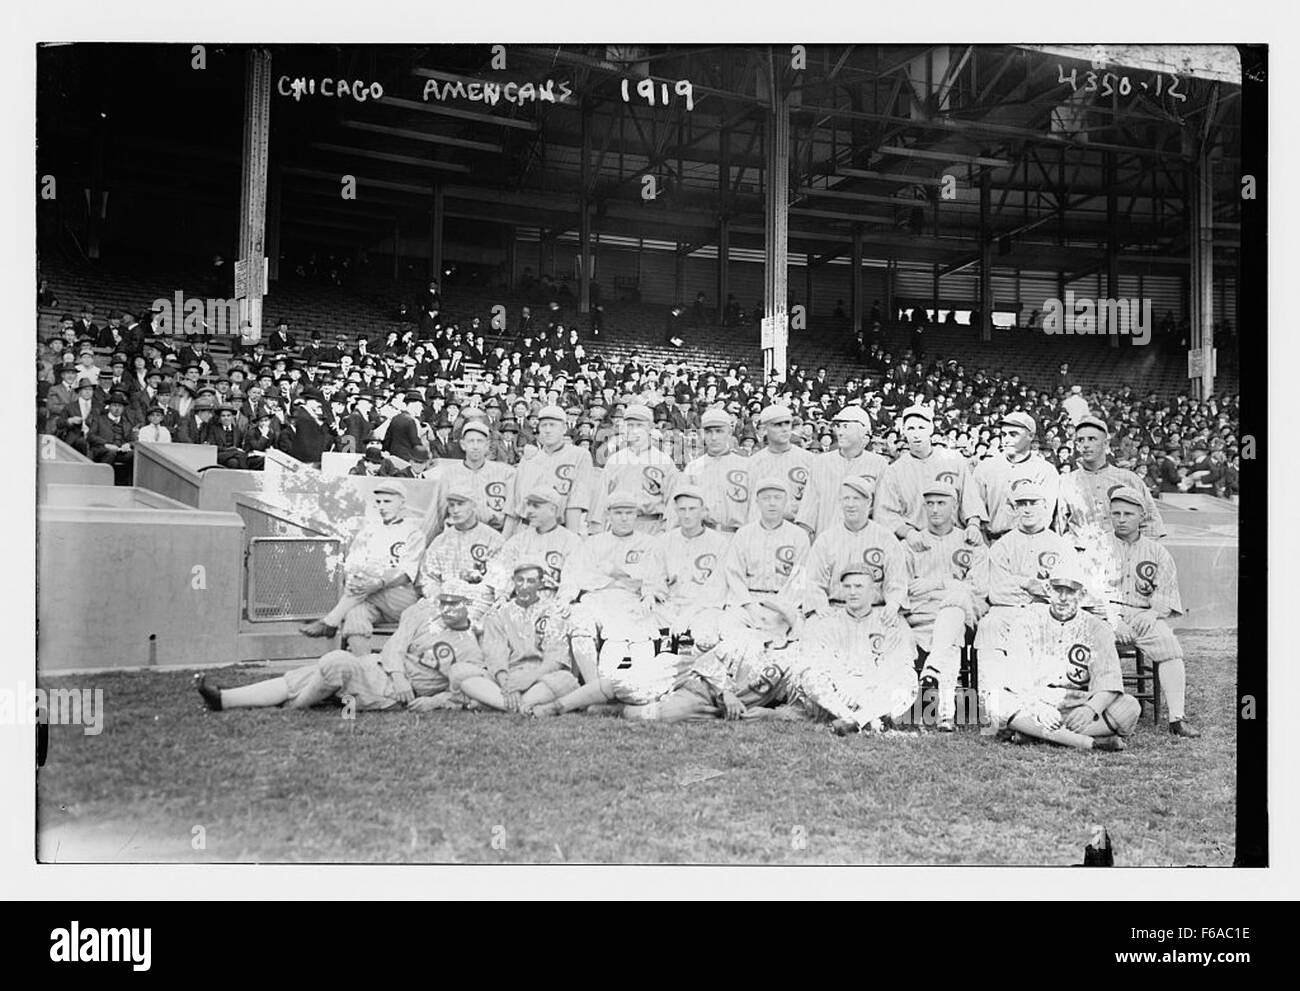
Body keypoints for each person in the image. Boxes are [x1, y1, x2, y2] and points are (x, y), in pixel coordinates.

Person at [197, 585, 483, 714]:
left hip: (388, 694)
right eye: (444, 601)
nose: (448, 608)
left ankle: (295, 709)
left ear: (469, 605)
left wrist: (435, 701)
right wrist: (398, 674)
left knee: (335, 662)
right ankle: (223, 700)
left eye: (456, 603)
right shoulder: (424, 615)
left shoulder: (471, 646)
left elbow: (467, 687)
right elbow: (394, 646)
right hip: (379, 670)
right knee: (301, 677)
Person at [985, 559, 1139, 752]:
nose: (1063, 597)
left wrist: (1090, 709)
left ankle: (1035, 734)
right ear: (1048, 590)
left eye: (1071, 591)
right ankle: (1089, 742)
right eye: (1058, 589)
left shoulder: (1098, 628)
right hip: (1035, 699)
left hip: (1078, 702)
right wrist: (1038, 707)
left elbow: (1109, 680)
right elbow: (1018, 678)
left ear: (1082, 594)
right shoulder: (1026, 622)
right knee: (996, 702)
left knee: (1129, 708)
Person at [1105, 487, 1200, 737]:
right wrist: (1114, 620)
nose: (1121, 519)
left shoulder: (1157, 551)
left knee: (1169, 645)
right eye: (1116, 513)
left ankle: (1177, 719)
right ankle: (1091, 711)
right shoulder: (1095, 546)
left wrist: (1151, 613)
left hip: (1142, 614)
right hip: (1103, 614)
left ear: (1142, 516)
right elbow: (1087, 593)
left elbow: (1165, 594)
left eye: (1128, 513)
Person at [552, 490, 665, 692]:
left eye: (629, 513)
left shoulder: (650, 544)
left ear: (636, 515)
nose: (624, 518)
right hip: (597, 599)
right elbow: (574, 575)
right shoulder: (593, 543)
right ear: (608, 515)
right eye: (618, 513)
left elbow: (654, 578)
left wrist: (648, 593)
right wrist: (567, 597)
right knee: (579, 623)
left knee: (634, 634)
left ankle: (632, 689)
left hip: (631, 601)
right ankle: (593, 686)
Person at [299, 480, 427, 655]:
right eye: (379, 502)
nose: (382, 506)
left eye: (388, 501)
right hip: (367, 595)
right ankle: (365, 669)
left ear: (402, 502)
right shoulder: (369, 530)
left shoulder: (414, 532)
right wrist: (359, 578)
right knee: (355, 616)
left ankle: (331, 621)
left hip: (400, 597)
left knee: (363, 586)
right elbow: (352, 563)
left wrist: (377, 581)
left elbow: (406, 574)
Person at [974, 480, 1078, 689]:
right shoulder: (1002, 545)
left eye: (1033, 502)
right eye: (1022, 504)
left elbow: (1066, 591)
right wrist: (1029, 585)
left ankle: (1036, 698)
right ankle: (992, 698)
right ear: (1014, 509)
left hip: (1045, 612)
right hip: (1006, 611)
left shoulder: (1060, 545)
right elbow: (996, 592)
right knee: (989, 625)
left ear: (1045, 506)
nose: (1027, 509)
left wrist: (1033, 590)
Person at [903, 482, 989, 731]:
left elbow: (978, 588)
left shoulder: (970, 542)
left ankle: (932, 671)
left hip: (961, 615)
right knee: (950, 634)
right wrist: (948, 587)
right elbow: (904, 586)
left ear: (954, 507)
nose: (934, 509)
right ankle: (946, 715)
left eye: (941, 503)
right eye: (929, 504)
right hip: (920, 617)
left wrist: (934, 584)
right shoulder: (912, 543)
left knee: (954, 610)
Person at [799, 567, 921, 735]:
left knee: (908, 677)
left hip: (876, 687)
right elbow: (821, 659)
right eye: (847, 587)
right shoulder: (829, 622)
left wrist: (872, 685)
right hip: (841, 690)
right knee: (810, 674)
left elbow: (899, 660)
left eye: (859, 586)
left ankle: (855, 721)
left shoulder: (889, 620)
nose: (852, 592)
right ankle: (859, 719)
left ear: (872, 590)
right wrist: (843, 686)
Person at [448, 561, 579, 714]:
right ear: (513, 582)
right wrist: (508, 685)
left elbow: (555, 658)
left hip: (539, 677)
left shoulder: (552, 612)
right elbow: (495, 654)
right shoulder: (499, 613)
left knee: (566, 680)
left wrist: (529, 679)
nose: (524, 586)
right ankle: (520, 705)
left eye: (531, 581)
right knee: (458, 671)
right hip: (504, 677)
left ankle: (496, 703)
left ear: (541, 584)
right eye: (520, 580)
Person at [874, 405, 980, 551]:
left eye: (921, 428)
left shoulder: (954, 459)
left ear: (930, 428)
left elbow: (971, 501)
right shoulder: (894, 471)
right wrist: (908, 533)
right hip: (916, 543)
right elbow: (885, 514)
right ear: (904, 431)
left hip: (954, 540)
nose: (916, 434)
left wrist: (973, 525)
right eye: (911, 429)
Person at [804, 477, 908, 622]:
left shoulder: (886, 538)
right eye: (846, 499)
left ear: (869, 502)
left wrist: (893, 604)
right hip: (835, 609)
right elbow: (813, 582)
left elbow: (896, 581)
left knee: (902, 637)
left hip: (876, 611)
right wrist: (821, 606)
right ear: (840, 502)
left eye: (857, 499)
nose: (850, 504)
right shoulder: (826, 539)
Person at [1056, 416, 1165, 541]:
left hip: (1121, 553)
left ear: (1106, 443)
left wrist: (1136, 553)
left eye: (1092, 439)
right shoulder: (1066, 481)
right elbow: (1059, 528)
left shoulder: (1129, 479)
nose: (1085, 445)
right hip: (1080, 553)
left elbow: (1151, 524)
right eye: (1080, 440)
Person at [648, 486, 729, 652]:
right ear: (676, 511)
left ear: (703, 511)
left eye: (692, 509)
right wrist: (653, 595)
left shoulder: (720, 543)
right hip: (670, 607)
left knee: (705, 636)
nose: (687, 515)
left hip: (703, 608)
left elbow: (717, 589)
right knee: (646, 631)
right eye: (682, 509)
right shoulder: (664, 541)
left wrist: (688, 615)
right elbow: (655, 579)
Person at [794, 405, 888, 538]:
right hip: (825, 542)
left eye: (846, 426)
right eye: (838, 426)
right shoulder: (820, 462)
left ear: (863, 431)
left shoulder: (879, 464)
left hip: (862, 544)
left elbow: (881, 513)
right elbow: (808, 511)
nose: (840, 432)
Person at [417, 485, 503, 627]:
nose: (455, 510)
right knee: (413, 617)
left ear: (474, 505)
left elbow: (498, 582)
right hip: (443, 602)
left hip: (477, 604)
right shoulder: (440, 541)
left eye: (461, 504)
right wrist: (439, 597)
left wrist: (466, 595)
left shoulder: (493, 539)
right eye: (451, 505)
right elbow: (427, 579)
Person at [968, 411, 1060, 541]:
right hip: (991, 542)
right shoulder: (986, 467)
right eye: (1003, 434)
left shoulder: (1045, 470)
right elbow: (974, 508)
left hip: (1028, 543)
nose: (1006, 439)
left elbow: (1044, 516)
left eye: (1013, 434)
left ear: (1030, 436)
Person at [591, 403, 680, 533]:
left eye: (640, 425)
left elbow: (672, 501)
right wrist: (597, 530)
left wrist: (667, 531)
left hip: (651, 525)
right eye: (630, 425)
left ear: (650, 428)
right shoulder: (614, 460)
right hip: (618, 526)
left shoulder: (664, 461)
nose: (634, 430)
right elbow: (601, 500)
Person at [506, 404, 594, 535]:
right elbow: (514, 505)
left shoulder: (579, 455)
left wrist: (570, 540)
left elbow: (576, 502)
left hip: (560, 529)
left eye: (552, 425)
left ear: (564, 428)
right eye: (543, 425)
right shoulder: (529, 458)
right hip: (527, 529)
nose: (547, 430)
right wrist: (505, 539)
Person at [486, 488, 586, 596]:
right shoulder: (518, 540)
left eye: (536, 506)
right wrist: (502, 595)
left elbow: (572, 581)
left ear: (552, 510)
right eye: (528, 505)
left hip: (552, 600)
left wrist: (564, 600)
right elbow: (502, 572)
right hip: (519, 599)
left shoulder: (571, 541)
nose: (529, 511)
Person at [433, 419, 515, 532]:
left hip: (496, 534)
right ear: (463, 444)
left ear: (487, 445)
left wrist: (503, 542)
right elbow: (439, 515)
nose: (475, 446)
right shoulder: (449, 473)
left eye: (480, 441)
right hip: (459, 535)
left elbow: (512, 515)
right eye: (471, 441)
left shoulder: (505, 473)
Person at [682, 407, 751, 534]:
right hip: (704, 536)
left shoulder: (746, 466)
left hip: (738, 536)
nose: (714, 437)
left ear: (729, 433)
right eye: (708, 432)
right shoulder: (694, 468)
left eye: (719, 431)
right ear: (702, 434)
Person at [745, 404, 815, 523]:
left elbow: (814, 501)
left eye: (787, 423)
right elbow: (751, 505)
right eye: (777, 425)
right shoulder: (754, 462)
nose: (784, 429)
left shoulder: (809, 459)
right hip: (763, 530)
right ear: (765, 428)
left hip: (798, 529)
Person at [88, 390, 135, 484]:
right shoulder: (99, 419)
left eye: (120, 406)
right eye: (114, 405)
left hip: (121, 451)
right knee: (111, 453)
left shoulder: (127, 423)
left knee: (134, 455)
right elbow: (91, 436)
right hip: (102, 450)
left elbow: (133, 440)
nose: (117, 409)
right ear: (109, 407)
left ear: (123, 408)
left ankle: (129, 484)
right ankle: (100, 481)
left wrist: (128, 445)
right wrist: (106, 444)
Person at [382, 391, 425, 463]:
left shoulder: (395, 418)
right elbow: (415, 442)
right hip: (406, 459)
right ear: (414, 404)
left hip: (393, 458)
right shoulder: (411, 421)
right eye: (420, 405)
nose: (421, 408)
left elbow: (387, 440)